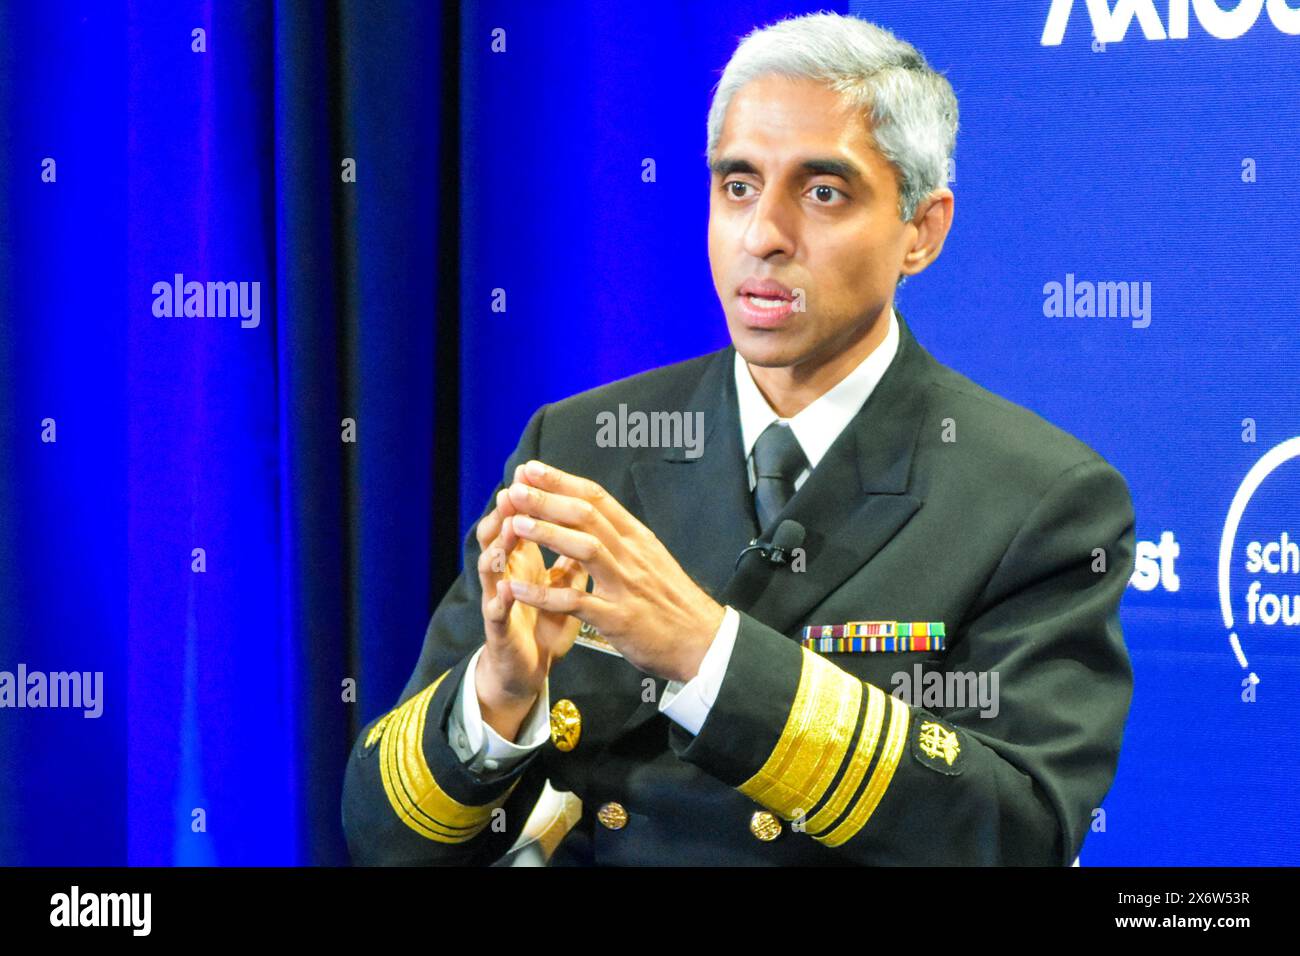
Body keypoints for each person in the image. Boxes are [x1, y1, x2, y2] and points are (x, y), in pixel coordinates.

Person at [341, 11, 1135, 866]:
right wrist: (497, 698)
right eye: (738, 186)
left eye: (823, 192)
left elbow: (1016, 836)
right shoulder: (583, 443)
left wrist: (704, 652)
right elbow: (381, 839)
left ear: (922, 231)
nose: (764, 237)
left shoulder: (1039, 498)